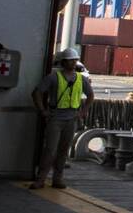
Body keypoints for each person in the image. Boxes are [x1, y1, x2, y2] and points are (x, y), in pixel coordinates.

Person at [30, 47, 95, 189]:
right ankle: (41, 178)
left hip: (71, 118)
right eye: (70, 61)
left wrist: (83, 111)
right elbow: (36, 93)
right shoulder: (53, 77)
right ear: (63, 62)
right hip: (56, 117)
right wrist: (43, 111)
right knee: (50, 149)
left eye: (75, 60)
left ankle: (57, 179)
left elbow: (90, 95)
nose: (73, 63)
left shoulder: (81, 79)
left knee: (63, 150)